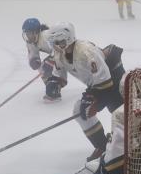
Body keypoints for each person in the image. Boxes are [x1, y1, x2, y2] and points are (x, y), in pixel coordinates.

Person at [45, 23, 125, 162]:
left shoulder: (86, 51)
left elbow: (105, 80)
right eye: (53, 43)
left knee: (122, 116)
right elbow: (60, 75)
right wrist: (55, 83)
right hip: (98, 85)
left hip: (114, 82)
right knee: (80, 111)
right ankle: (102, 146)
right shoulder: (59, 54)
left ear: (67, 39)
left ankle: (129, 148)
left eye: (58, 42)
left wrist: (91, 97)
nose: (55, 46)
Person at [21, 17, 66, 102]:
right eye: (27, 34)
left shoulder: (46, 36)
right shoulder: (30, 42)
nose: (28, 36)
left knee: (47, 65)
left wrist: (51, 61)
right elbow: (32, 54)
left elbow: (61, 49)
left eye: (30, 33)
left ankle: (56, 84)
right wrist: (34, 60)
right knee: (42, 67)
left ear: (37, 32)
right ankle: (53, 86)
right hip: (59, 56)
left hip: (67, 54)